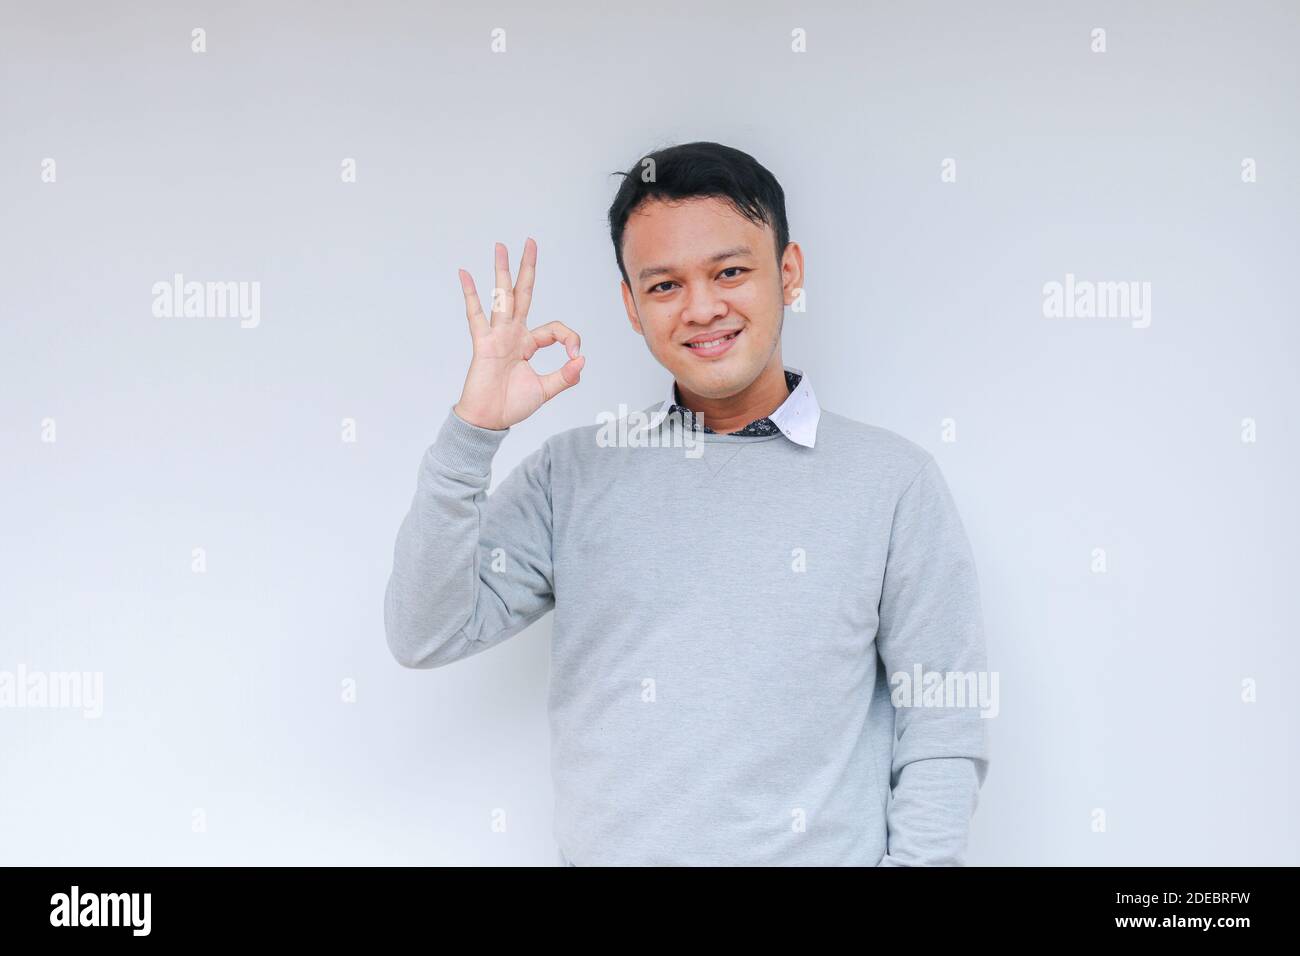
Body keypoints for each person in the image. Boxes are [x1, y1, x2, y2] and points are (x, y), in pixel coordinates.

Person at [384, 141, 991, 866]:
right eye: (664, 285)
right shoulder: (572, 475)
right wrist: (473, 432)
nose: (703, 308)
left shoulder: (893, 484)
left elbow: (944, 729)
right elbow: (425, 632)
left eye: (730, 271)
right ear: (632, 307)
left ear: (788, 273)